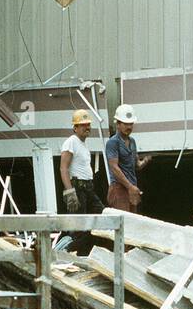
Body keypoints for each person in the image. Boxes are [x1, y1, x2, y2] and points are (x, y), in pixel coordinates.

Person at [60, 109, 103, 255]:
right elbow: (63, 168)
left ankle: (78, 251)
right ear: (75, 128)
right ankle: (65, 250)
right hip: (78, 188)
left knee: (99, 215)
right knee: (79, 227)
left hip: (87, 188)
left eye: (88, 124)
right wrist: (70, 191)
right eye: (82, 125)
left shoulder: (82, 144)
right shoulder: (71, 142)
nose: (87, 128)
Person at [104, 103, 152, 212]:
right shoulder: (113, 142)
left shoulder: (132, 141)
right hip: (119, 188)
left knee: (132, 223)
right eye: (125, 124)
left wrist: (145, 161)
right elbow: (114, 168)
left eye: (131, 124)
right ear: (118, 124)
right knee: (123, 223)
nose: (129, 127)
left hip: (131, 188)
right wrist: (130, 187)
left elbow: (136, 165)